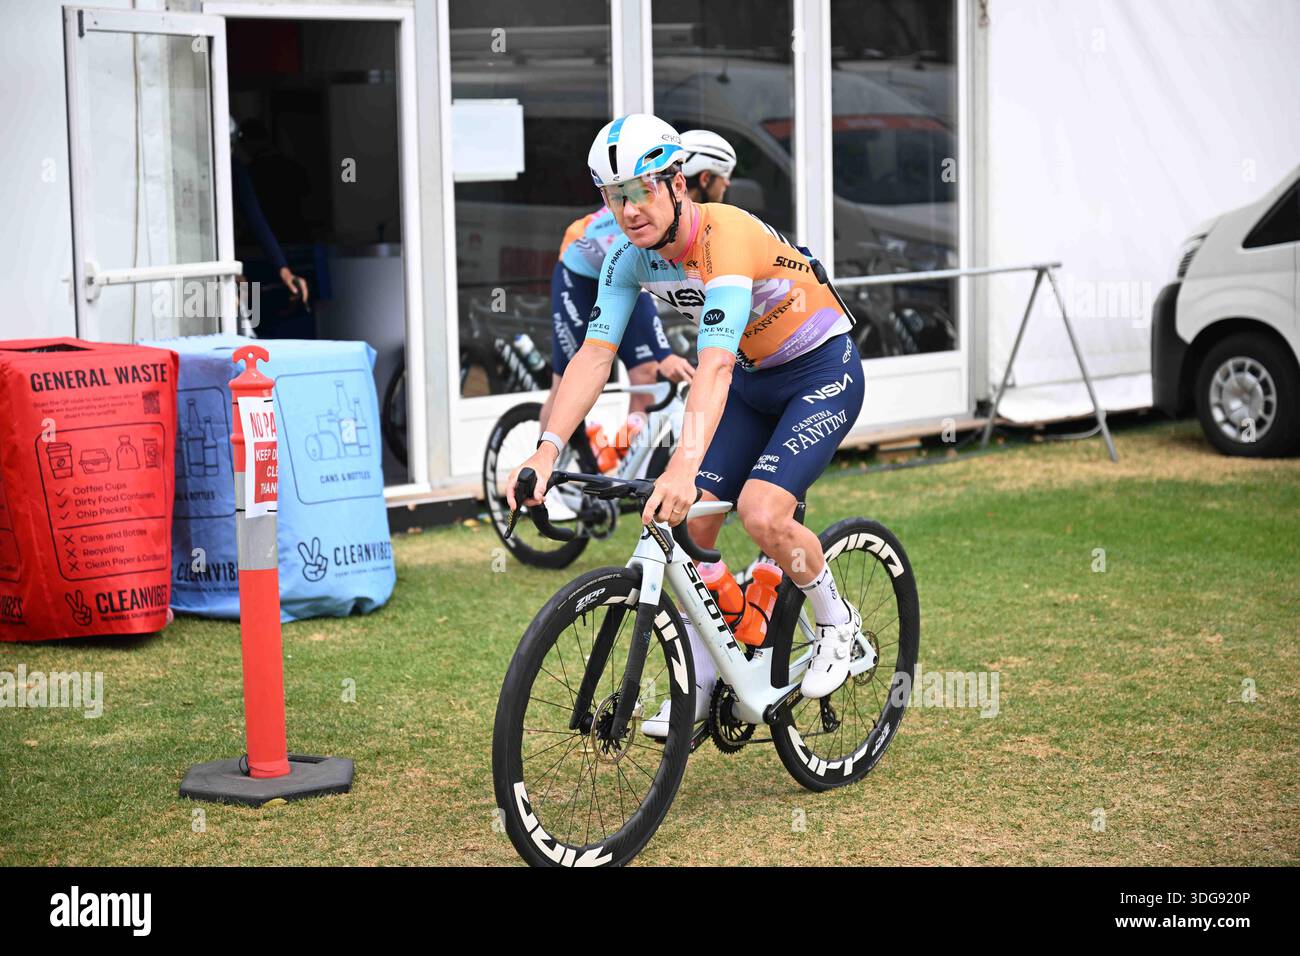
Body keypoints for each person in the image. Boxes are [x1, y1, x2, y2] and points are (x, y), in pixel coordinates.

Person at [507, 114, 866, 736]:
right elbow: (594, 357)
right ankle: (712, 668)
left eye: (641, 189)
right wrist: (545, 448)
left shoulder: (723, 237)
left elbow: (715, 364)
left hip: (818, 371)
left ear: (677, 183)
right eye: (614, 196)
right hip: (754, 384)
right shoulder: (628, 258)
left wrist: (681, 465)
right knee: (694, 522)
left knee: (760, 513)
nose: (628, 210)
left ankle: (838, 622)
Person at [537, 132, 736, 435]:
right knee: (565, 380)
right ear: (707, 178)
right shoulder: (653, 209)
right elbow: (640, 277)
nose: (729, 184)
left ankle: (627, 465)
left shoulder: (690, 213)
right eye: (725, 176)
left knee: (645, 375)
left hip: (624, 277)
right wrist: (663, 351)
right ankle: (541, 467)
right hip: (579, 275)